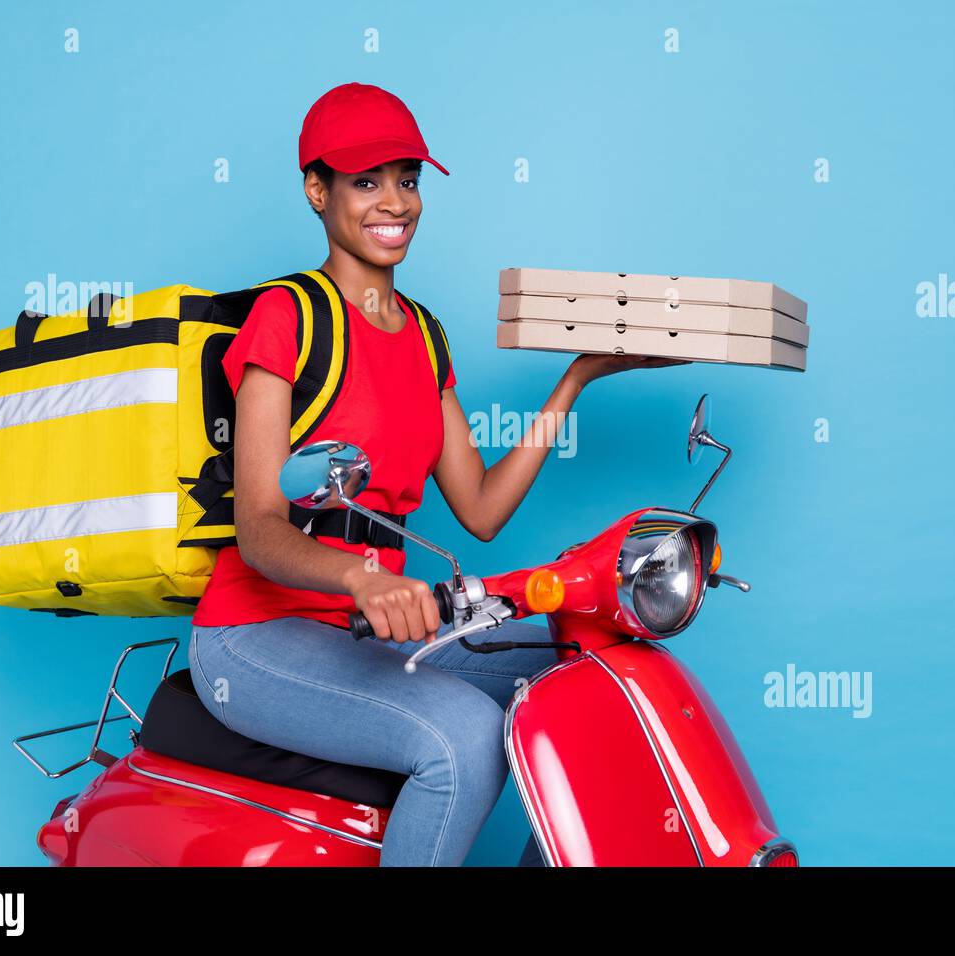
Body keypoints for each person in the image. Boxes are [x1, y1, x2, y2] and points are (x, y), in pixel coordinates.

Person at [188, 81, 683, 866]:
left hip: (377, 624)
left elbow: (481, 510)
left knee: (595, 671)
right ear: (316, 191)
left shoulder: (422, 332)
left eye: (408, 180)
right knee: (462, 738)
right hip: (259, 636)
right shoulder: (286, 317)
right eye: (366, 181)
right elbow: (258, 528)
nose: (396, 203)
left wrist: (578, 379)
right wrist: (363, 579)